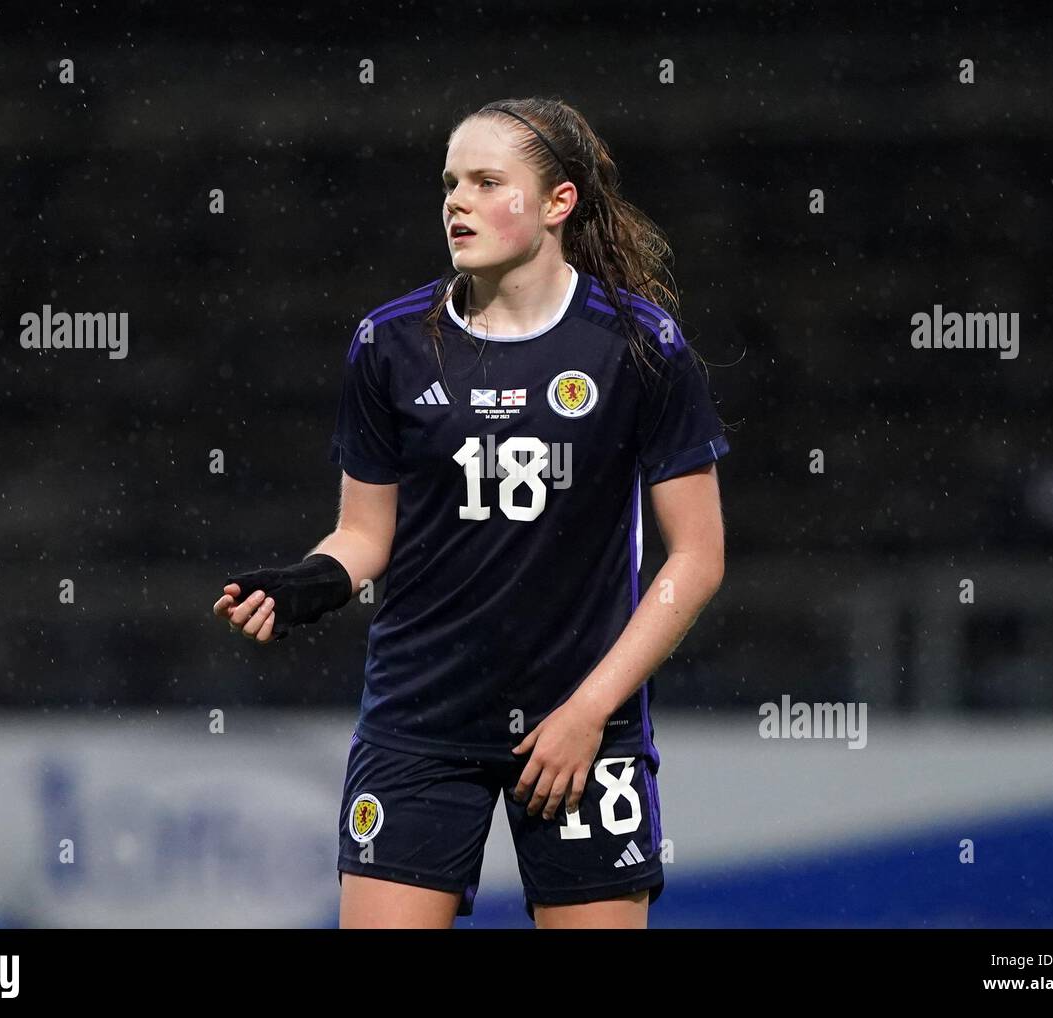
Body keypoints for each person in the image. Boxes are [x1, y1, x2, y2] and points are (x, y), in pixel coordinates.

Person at [214, 96, 730, 928]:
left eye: (488, 182)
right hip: (419, 722)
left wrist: (589, 711)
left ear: (558, 202)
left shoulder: (639, 346)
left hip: (582, 727)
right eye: (451, 182)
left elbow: (697, 557)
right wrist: (309, 583)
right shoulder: (389, 343)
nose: (457, 201)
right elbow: (364, 533)